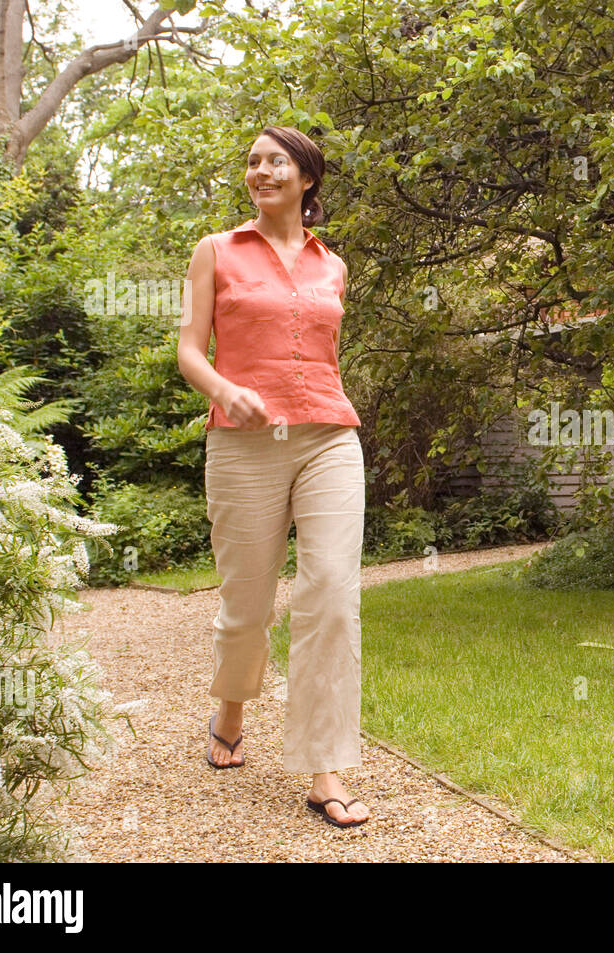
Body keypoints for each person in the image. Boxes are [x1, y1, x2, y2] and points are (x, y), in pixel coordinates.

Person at [176, 125, 371, 828]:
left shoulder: (334, 264)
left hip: (327, 436)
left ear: (307, 177)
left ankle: (326, 766)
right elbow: (190, 350)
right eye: (253, 162)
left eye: (275, 161)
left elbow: (323, 355)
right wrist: (227, 391)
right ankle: (231, 703)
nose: (260, 171)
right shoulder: (216, 251)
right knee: (247, 603)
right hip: (244, 441)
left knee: (330, 592)